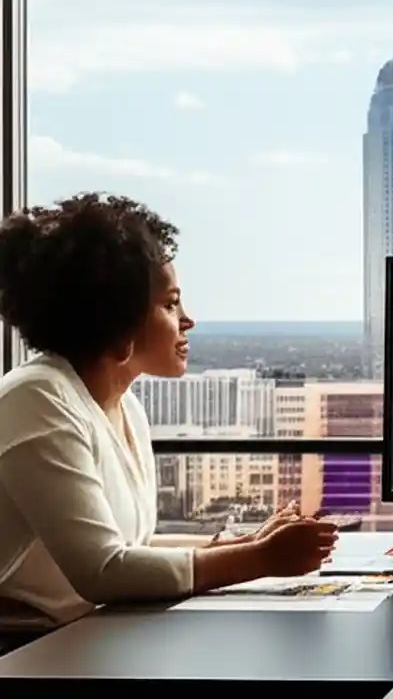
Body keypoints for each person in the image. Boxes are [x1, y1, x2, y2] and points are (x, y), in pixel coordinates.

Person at [0, 192, 337, 631]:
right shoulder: (37, 400)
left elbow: (129, 547)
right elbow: (104, 571)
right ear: (117, 319)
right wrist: (260, 558)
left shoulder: (123, 407)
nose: (187, 319)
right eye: (170, 303)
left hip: (71, 644)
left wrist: (245, 541)